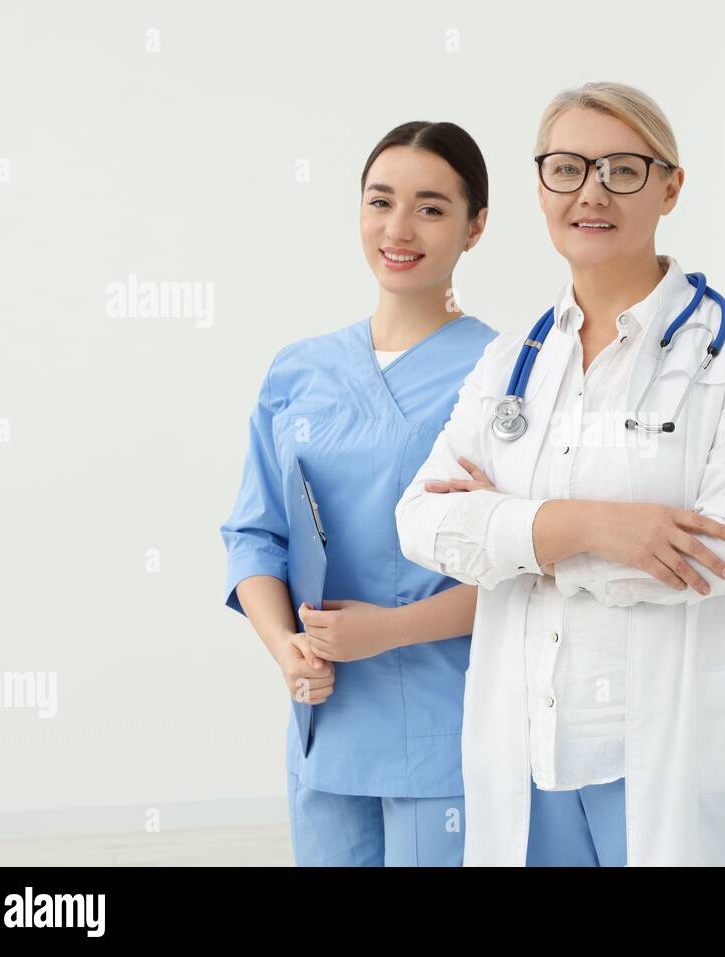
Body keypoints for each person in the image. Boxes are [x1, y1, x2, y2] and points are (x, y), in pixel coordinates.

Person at [397, 82, 725, 866]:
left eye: (621, 169)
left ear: (670, 185)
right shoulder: (510, 357)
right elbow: (422, 521)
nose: (591, 191)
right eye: (567, 169)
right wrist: (601, 527)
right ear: (540, 185)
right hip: (531, 742)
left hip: (663, 741)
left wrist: (514, 535)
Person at [220, 121, 497, 866]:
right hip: (324, 717)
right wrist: (285, 648)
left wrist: (389, 630)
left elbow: (522, 565)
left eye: (432, 208)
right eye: (380, 201)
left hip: (446, 723)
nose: (398, 228)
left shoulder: (503, 371)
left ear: (476, 226)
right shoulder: (298, 370)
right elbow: (254, 534)